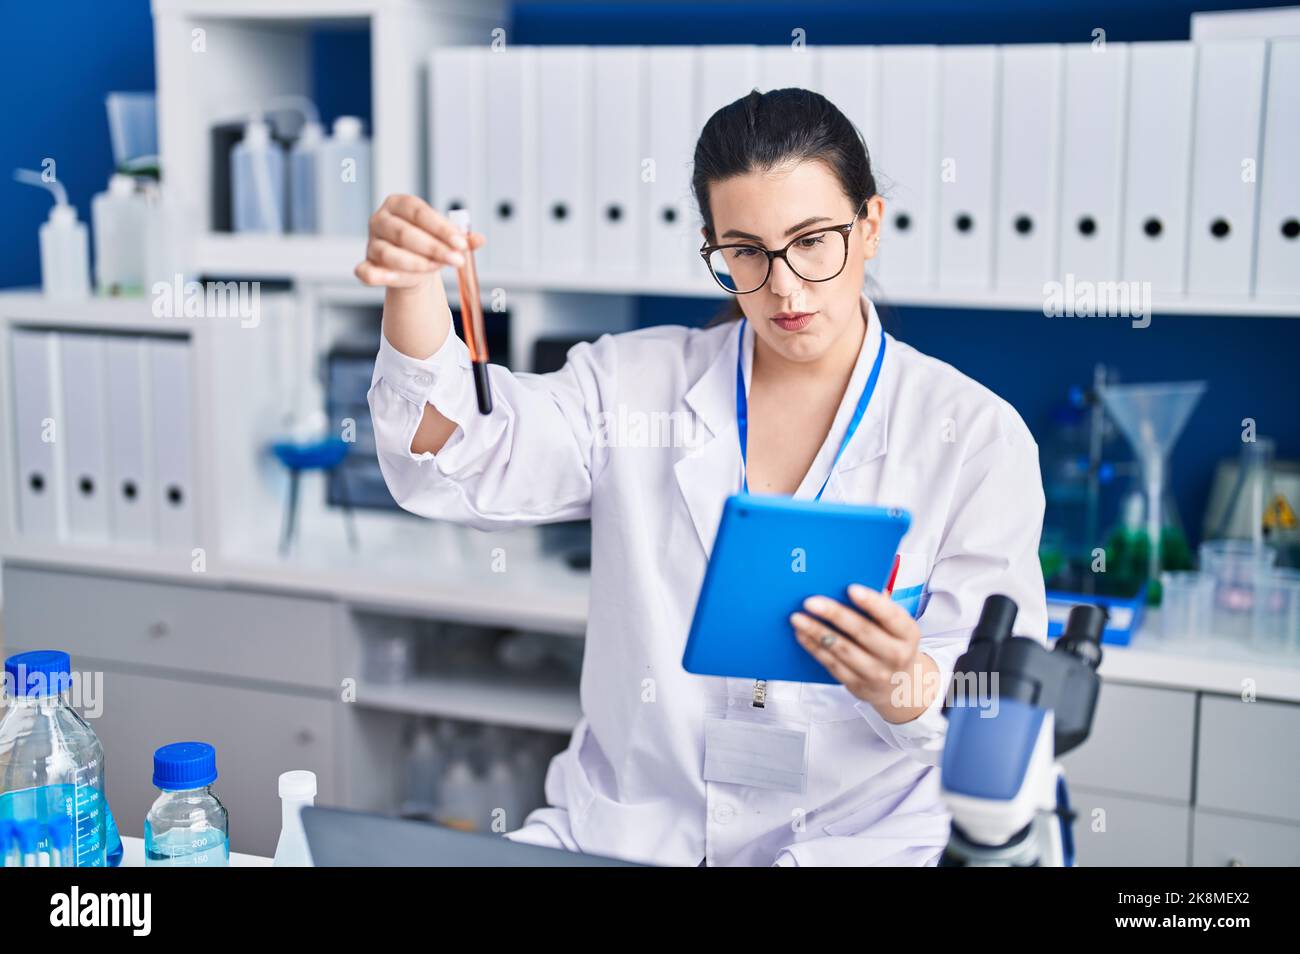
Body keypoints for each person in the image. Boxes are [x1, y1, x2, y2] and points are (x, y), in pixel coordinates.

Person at [359, 88, 1047, 866]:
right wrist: (411, 289)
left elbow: (998, 708)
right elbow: (460, 452)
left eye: (813, 241)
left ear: (871, 226)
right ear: (712, 244)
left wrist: (905, 685)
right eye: (746, 252)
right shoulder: (632, 383)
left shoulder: (973, 438)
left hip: (857, 846)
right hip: (632, 835)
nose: (784, 287)